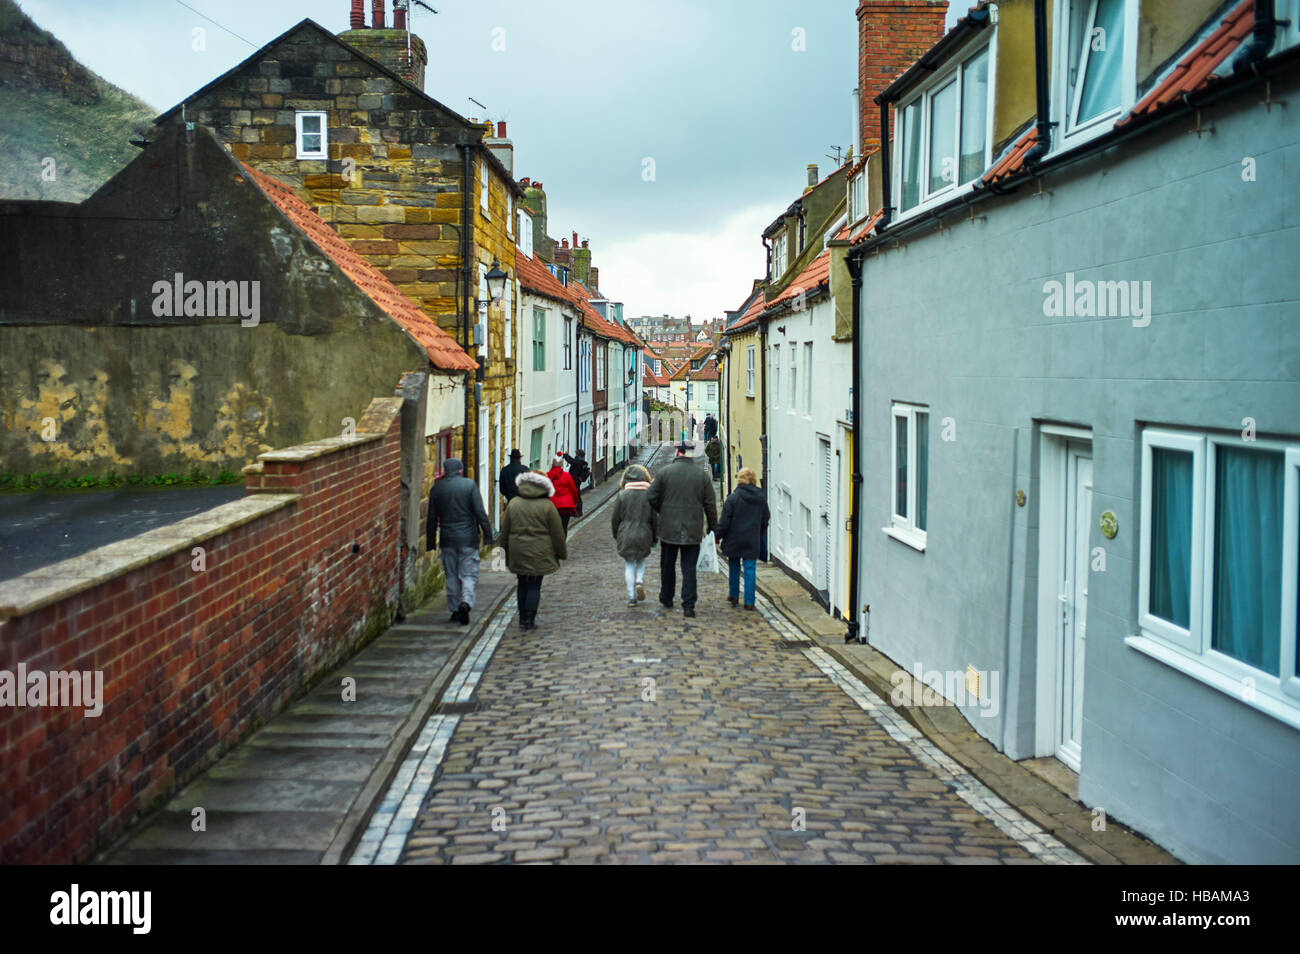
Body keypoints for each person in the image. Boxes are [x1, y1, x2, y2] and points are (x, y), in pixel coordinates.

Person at [647, 441, 718, 618]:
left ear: (677, 452)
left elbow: (651, 497)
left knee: (668, 565)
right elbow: (710, 504)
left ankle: (667, 597)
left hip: (668, 528)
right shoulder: (701, 476)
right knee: (689, 568)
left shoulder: (664, 473)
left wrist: (662, 510)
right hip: (693, 528)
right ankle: (688, 605)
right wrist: (712, 528)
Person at [426, 457, 493, 626]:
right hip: (468, 539)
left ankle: (455, 610)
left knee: (451, 575)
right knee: (468, 573)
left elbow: (432, 518)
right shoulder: (469, 485)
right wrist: (487, 534)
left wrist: (430, 542)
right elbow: (480, 512)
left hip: (447, 539)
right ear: (460, 470)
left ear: (445, 470)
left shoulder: (437, 489)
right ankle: (466, 603)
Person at [499, 470, 568, 630]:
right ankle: (530, 619)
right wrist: (561, 553)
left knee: (522, 582)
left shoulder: (514, 504)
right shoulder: (548, 506)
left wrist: (502, 557)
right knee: (534, 585)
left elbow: (505, 532)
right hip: (540, 551)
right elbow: (558, 534)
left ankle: (522, 618)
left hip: (518, 550)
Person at [715, 467, 769, 610]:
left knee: (734, 566)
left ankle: (733, 595)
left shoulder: (733, 498)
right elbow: (766, 518)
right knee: (750, 569)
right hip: (752, 538)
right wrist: (760, 532)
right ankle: (749, 602)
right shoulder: (760, 498)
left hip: (734, 539)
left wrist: (717, 536)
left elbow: (724, 522)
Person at [610, 464, 657, 606]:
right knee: (641, 559)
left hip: (626, 533)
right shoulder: (649, 495)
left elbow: (615, 519)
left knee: (629, 564)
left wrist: (616, 535)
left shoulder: (622, 495)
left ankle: (631, 597)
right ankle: (639, 581)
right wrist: (655, 537)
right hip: (644, 533)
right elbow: (655, 519)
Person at [547, 453, 581, 534]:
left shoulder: (547, 476)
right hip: (566, 507)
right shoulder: (567, 476)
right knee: (564, 527)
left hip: (552, 506)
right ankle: (562, 543)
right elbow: (574, 490)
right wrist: (575, 501)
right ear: (561, 464)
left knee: (551, 528)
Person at [563, 448, 590, 515]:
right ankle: (577, 511)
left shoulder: (578, 462)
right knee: (576, 495)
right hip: (577, 481)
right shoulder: (583, 462)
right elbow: (572, 460)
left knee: (575, 496)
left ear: (578, 455)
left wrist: (565, 455)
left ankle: (577, 511)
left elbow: (570, 461)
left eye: (576, 454)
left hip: (574, 481)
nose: (575, 455)